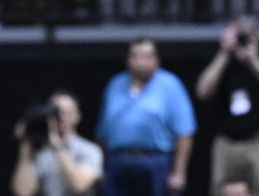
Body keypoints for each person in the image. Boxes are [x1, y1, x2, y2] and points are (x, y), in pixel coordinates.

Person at [96, 38, 196, 196]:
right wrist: (101, 166)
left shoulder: (170, 85)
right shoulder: (115, 84)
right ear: (128, 59)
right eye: (135, 56)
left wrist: (179, 172)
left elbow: (185, 133)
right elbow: (102, 132)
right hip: (118, 161)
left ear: (157, 60)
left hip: (155, 161)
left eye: (145, 56)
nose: (140, 62)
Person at [196, 16, 259, 194]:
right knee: (218, 188)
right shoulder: (222, 60)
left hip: (255, 140)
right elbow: (203, 91)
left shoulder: (255, 59)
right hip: (225, 141)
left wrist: (252, 60)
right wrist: (224, 53)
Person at [10, 90, 103, 196]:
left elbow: (79, 185)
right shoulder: (40, 153)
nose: (60, 117)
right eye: (55, 112)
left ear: (78, 115)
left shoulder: (90, 150)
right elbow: (22, 192)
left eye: (65, 112)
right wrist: (25, 146)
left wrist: (56, 142)